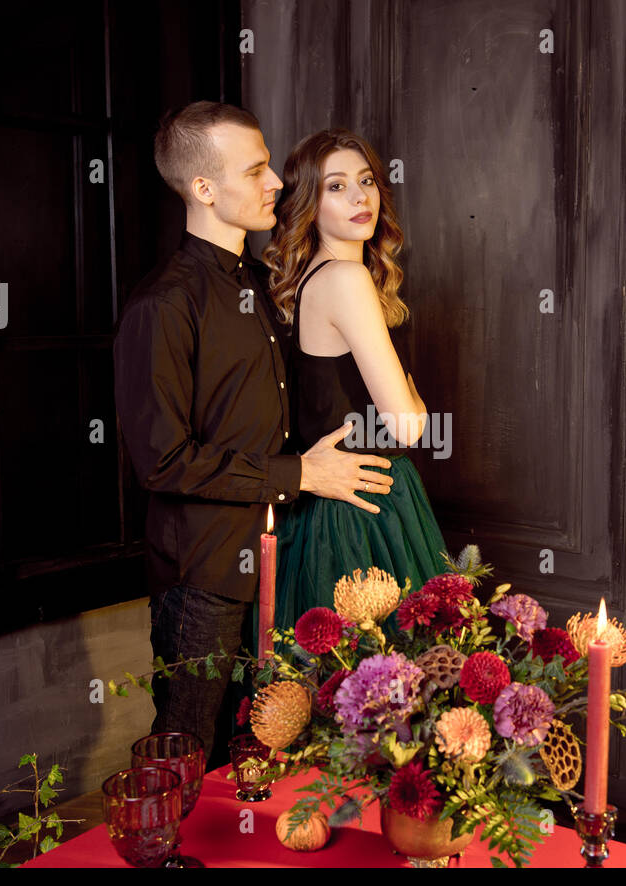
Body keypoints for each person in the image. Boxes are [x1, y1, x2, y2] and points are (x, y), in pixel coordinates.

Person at [112, 104, 396, 763]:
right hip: (204, 573)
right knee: (190, 749)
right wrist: (301, 473)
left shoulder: (259, 286)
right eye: (257, 169)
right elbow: (164, 462)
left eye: (270, 164)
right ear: (203, 188)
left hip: (280, 557)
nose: (276, 181)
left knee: (265, 748)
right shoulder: (163, 305)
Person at [263, 128, 449, 635]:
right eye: (336, 186)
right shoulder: (346, 280)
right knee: (384, 687)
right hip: (366, 506)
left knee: (350, 685)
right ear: (308, 203)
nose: (360, 197)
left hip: (326, 509)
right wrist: (410, 390)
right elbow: (410, 428)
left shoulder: (312, 278)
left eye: (365, 181)